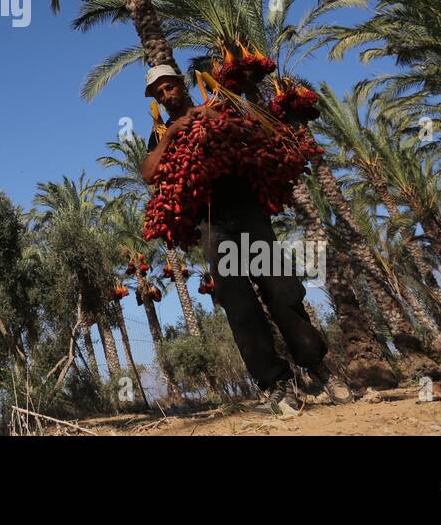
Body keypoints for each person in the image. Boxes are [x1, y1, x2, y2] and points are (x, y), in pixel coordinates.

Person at [139, 64, 352, 415]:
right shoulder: (162, 131)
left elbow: (256, 133)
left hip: (249, 211)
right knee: (238, 304)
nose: (165, 95)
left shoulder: (222, 104)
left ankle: (316, 365)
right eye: (158, 93)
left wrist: (217, 116)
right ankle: (274, 383)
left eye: (168, 87)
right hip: (212, 225)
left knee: (282, 289)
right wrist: (172, 133)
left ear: (181, 83)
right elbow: (149, 173)